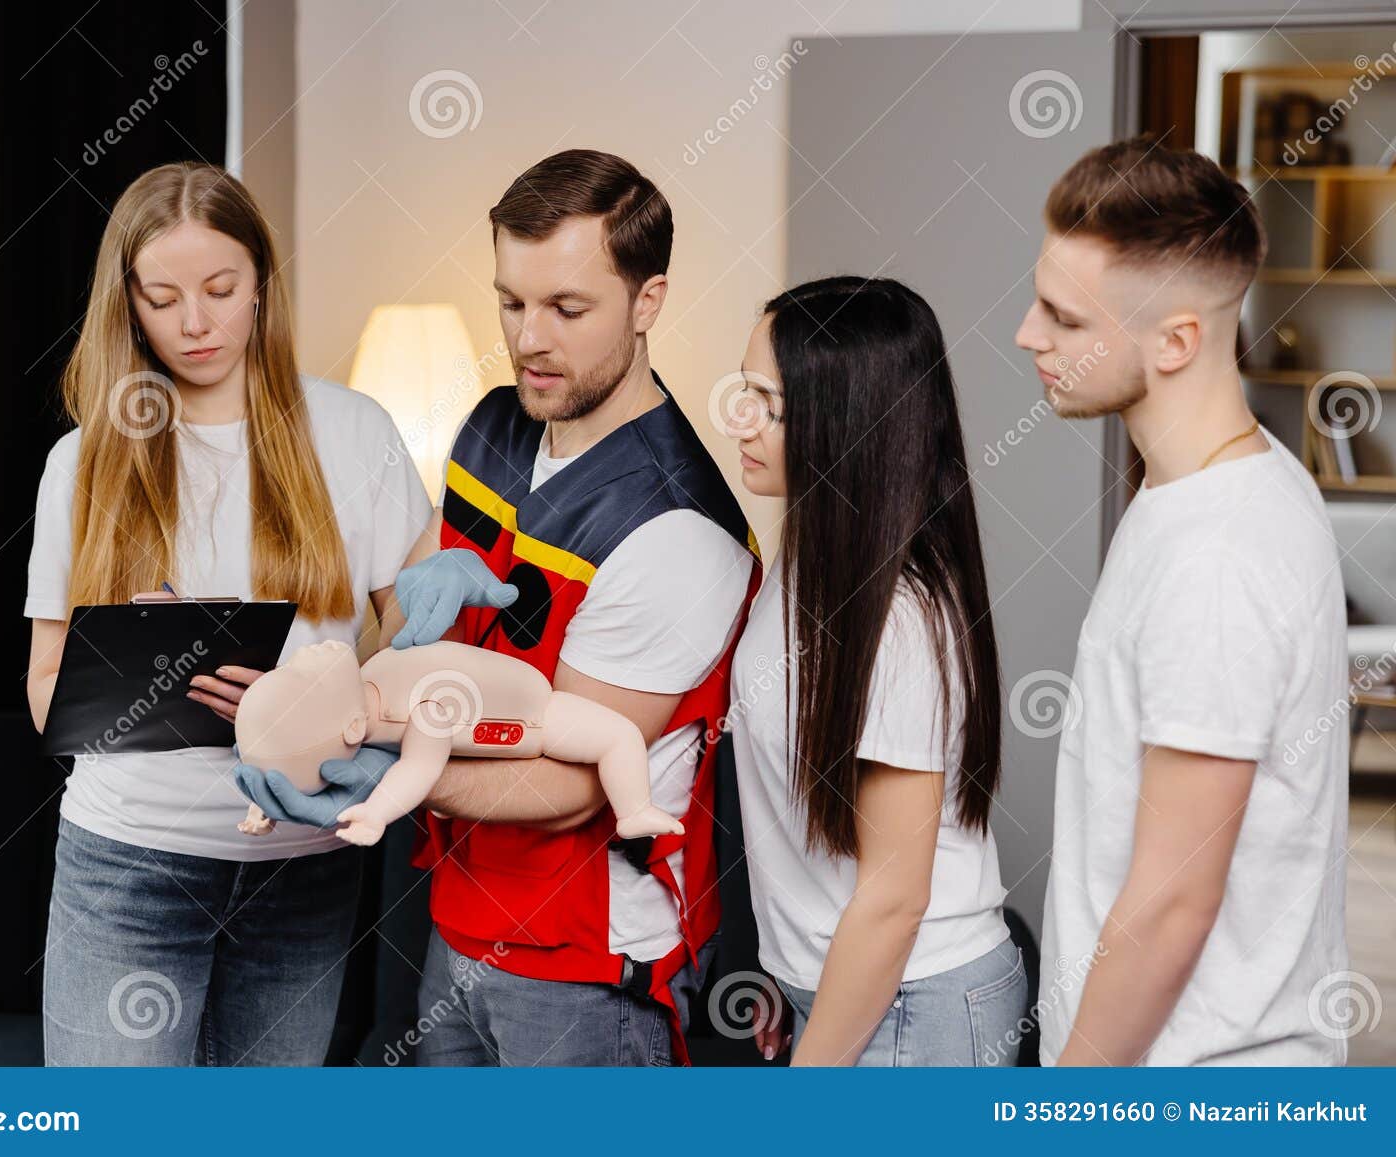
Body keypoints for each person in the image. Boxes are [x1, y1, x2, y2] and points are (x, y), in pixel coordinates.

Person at [237, 149, 759, 1066]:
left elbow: (569, 788)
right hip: (462, 922)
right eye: (512, 302)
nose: (529, 339)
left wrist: (392, 781)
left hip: (589, 968)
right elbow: (412, 646)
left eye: (567, 308)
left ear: (648, 301)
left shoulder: (676, 526)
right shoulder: (490, 425)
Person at [24, 162, 430, 1065]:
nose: (195, 323)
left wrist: (328, 702)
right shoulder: (82, 461)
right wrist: (137, 671)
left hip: (305, 863)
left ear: (262, 289)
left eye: (220, 290)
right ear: (127, 302)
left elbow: (425, 637)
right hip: (127, 864)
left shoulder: (353, 431)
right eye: (164, 298)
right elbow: (47, 697)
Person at [1015, 137, 1349, 1065]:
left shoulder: (1218, 554)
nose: (1027, 335)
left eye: (1063, 318)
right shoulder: (1207, 487)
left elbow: (1173, 902)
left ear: (1176, 341)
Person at [728, 276, 1025, 1066]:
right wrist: (793, 974)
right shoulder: (814, 553)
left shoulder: (897, 617)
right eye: (744, 389)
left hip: (916, 1002)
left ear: (845, 422)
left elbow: (895, 898)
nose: (742, 420)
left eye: (771, 402)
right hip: (857, 986)